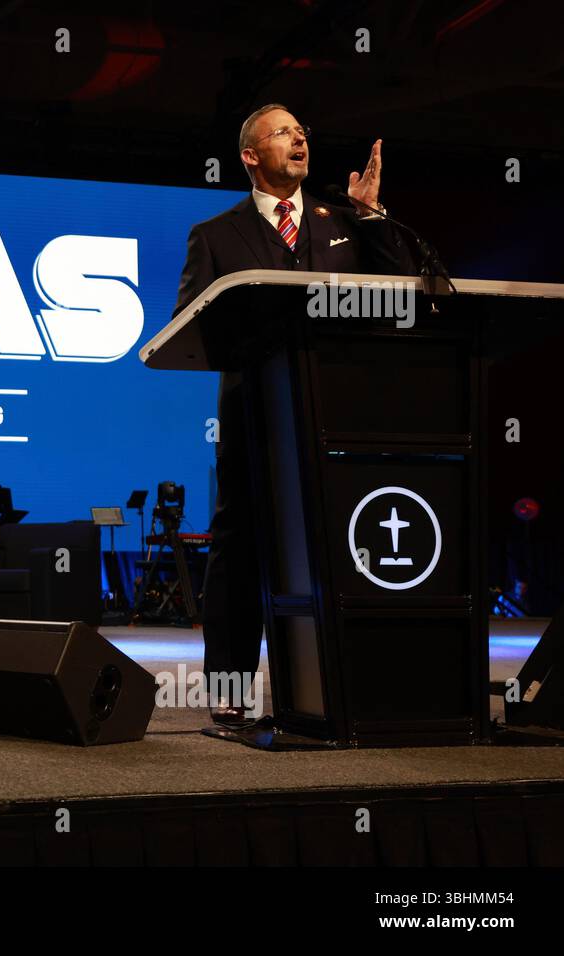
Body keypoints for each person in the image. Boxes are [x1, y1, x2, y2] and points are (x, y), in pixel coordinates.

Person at [173, 104, 414, 725]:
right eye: (282, 133)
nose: (299, 138)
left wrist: (373, 215)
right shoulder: (215, 234)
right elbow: (193, 329)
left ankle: (341, 684)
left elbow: (400, 290)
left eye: (302, 130)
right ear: (251, 156)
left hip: (335, 416)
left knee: (340, 548)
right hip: (255, 417)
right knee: (241, 548)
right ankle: (227, 692)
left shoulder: (343, 221)